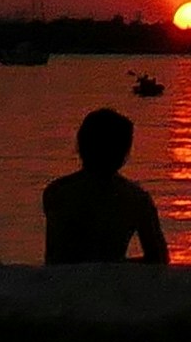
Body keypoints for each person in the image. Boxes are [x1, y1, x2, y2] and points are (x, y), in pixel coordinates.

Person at [44, 105, 166, 264]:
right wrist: (116, 266)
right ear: (123, 153)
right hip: (112, 285)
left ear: (81, 146)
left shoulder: (56, 192)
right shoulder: (137, 199)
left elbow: (54, 259)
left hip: (65, 285)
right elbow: (159, 259)